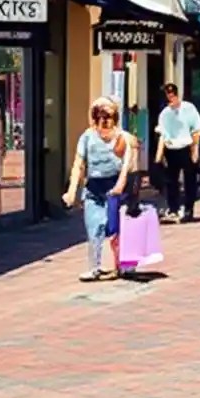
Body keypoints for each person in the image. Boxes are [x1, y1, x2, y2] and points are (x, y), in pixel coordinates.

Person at [63, 98, 134, 282]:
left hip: (115, 188)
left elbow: (127, 164)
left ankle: (122, 265)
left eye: (108, 115)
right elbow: (78, 164)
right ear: (94, 117)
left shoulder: (122, 137)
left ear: (115, 117)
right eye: (100, 115)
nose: (104, 119)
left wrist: (120, 184)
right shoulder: (87, 137)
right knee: (94, 229)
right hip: (94, 189)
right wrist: (72, 191)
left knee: (114, 231)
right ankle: (94, 267)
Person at [154, 83, 200, 223]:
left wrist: (195, 150)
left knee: (190, 180)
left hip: (186, 147)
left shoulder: (188, 108)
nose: (171, 98)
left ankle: (188, 209)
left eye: (172, 95)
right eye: (168, 96)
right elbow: (162, 134)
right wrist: (159, 155)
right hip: (171, 149)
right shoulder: (164, 114)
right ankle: (173, 208)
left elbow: (197, 130)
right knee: (171, 181)